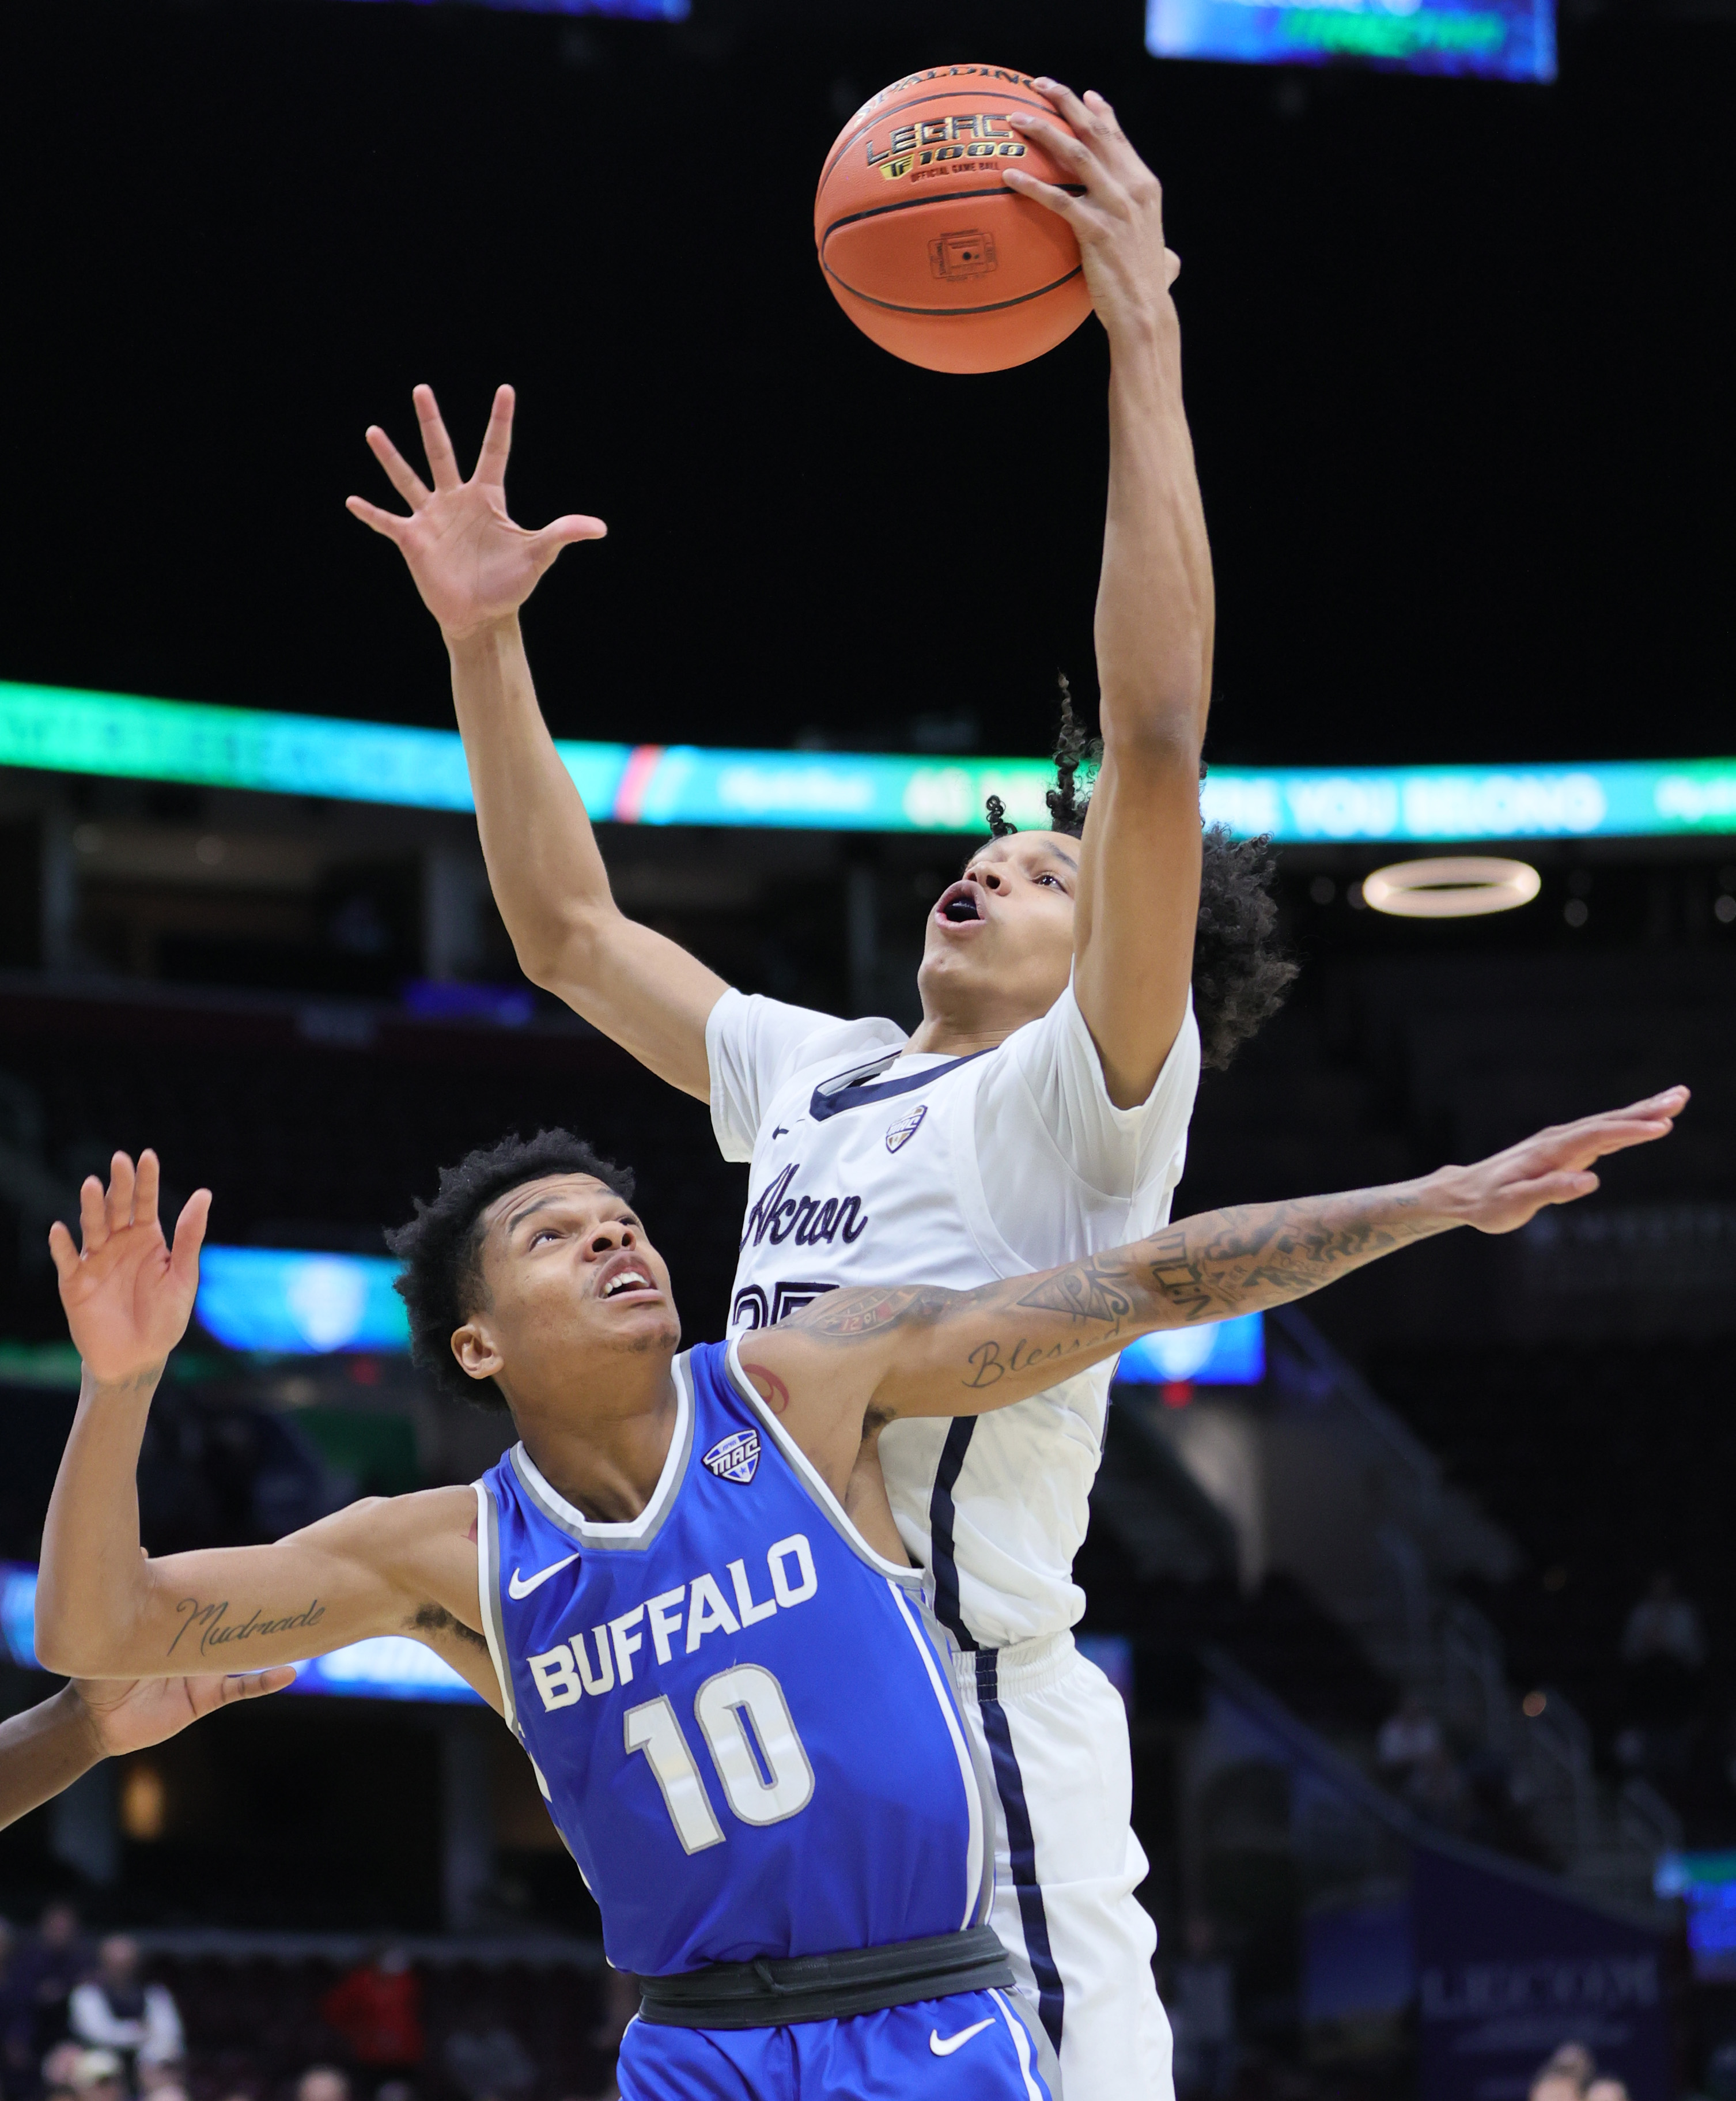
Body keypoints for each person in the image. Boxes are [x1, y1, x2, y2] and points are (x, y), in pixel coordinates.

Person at [347, 76, 1290, 2100]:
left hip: (970, 1727)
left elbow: (1153, 726)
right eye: (996, 845)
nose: (997, 863)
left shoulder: (1089, 1097)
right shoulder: (825, 1076)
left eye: (1052, 871)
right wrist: (484, 647)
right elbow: (570, 936)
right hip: (780, 1699)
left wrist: (1142, 335)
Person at [33, 1095, 1678, 2098]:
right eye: (555, 1236)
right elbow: (99, 1636)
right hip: (692, 2046)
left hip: (921, 2015)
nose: (617, 1242)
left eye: (622, 1220)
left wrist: (1433, 1199)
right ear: (476, 1342)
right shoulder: (447, 1550)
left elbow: (1143, 1280)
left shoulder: (795, 1389)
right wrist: (120, 1387)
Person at [67, 1940, 182, 2088]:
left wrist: (146, 2046)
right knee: (101, 2063)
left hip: (146, 2063)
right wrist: (140, 2032)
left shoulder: (154, 1993)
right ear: (103, 1965)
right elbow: (100, 2034)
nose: (123, 1970)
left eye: (127, 1964)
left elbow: (169, 2031)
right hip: (102, 2057)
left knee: (163, 2056)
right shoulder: (87, 1994)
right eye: (116, 1964)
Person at [318, 1949, 422, 2079]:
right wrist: (356, 2032)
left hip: (404, 2056)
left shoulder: (407, 1982)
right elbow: (333, 2011)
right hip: (368, 2056)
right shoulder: (360, 1982)